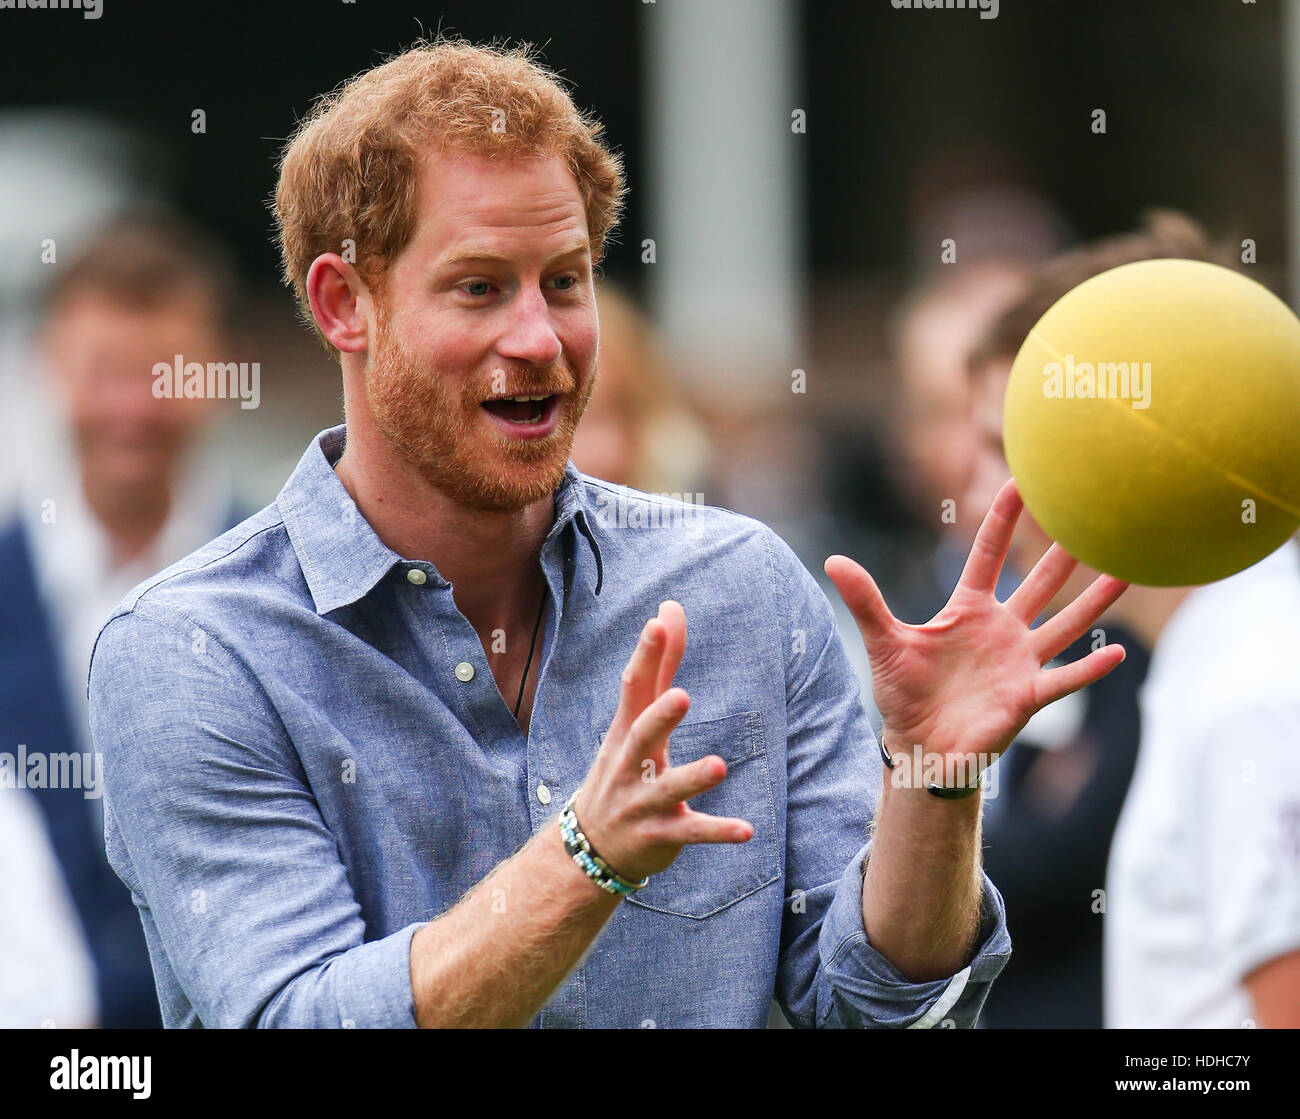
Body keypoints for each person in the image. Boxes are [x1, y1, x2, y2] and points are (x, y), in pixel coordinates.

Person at [88, 39, 1127, 1028]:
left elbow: (872, 1004)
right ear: (342, 303)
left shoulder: (741, 588)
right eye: (479, 286)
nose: (540, 339)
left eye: (566, 281)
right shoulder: (196, 653)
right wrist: (581, 860)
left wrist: (933, 785)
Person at [0, 212, 243, 1027]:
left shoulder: (299, 584)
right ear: (50, 368)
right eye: (105, 370)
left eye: (167, 373)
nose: (135, 408)